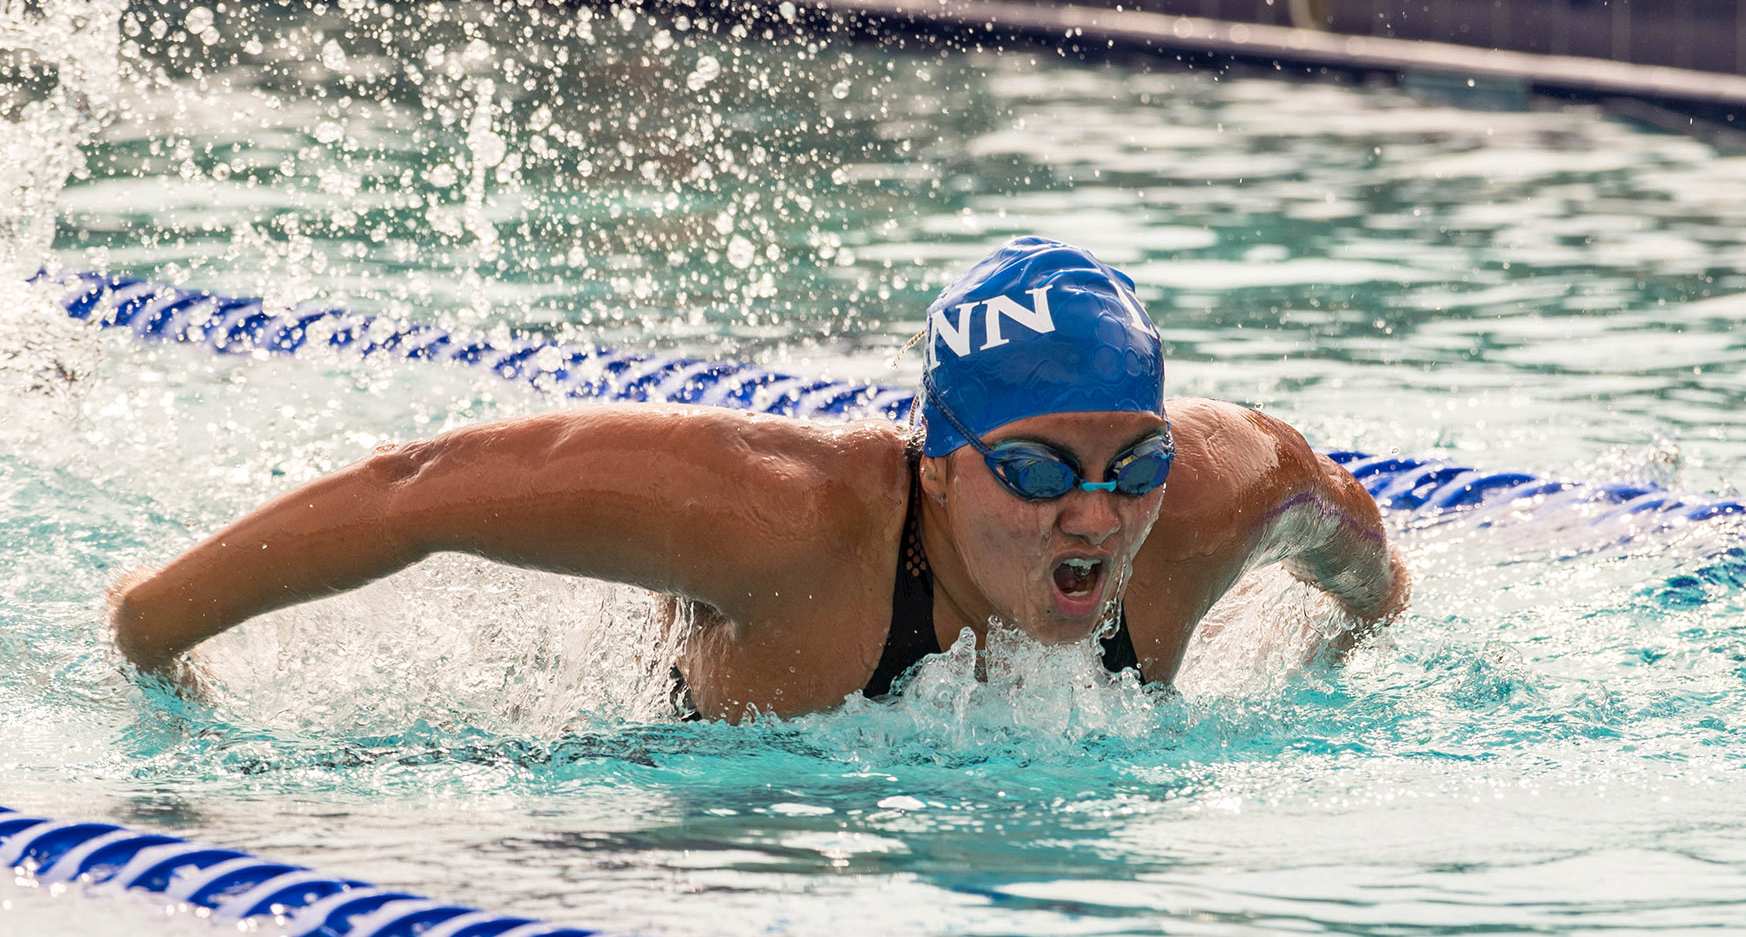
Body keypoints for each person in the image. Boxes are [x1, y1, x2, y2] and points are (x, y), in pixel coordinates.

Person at [110, 237, 1407, 722]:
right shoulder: (775, 518)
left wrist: (1367, 622)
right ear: (942, 466)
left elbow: (1344, 532)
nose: (1096, 513)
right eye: (1036, 467)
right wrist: (151, 630)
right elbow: (422, 490)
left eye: (1133, 464)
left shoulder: (1209, 505)